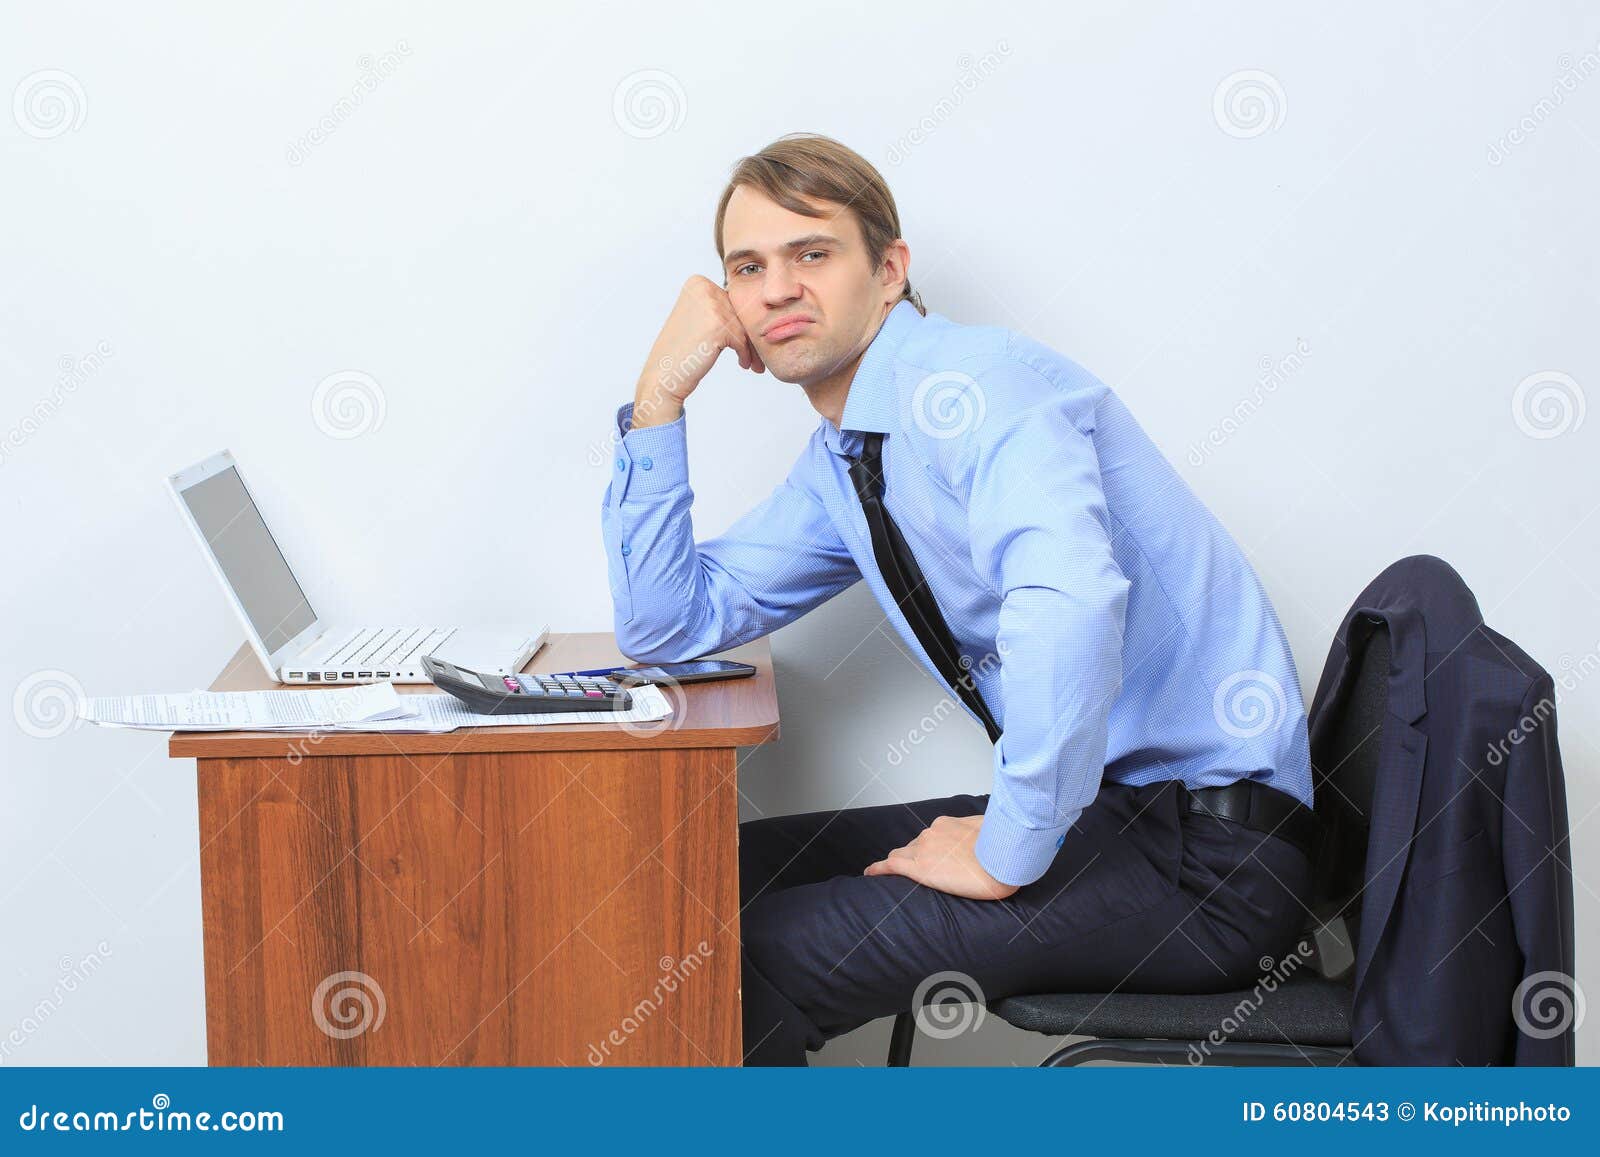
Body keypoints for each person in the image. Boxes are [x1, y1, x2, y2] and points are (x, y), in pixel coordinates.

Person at [599, 133, 1316, 1065]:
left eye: (811, 253)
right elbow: (669, 623)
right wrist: (658, 399)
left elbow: (1068, 600)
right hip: (1125, 822)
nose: (776, 288)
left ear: (889, 271)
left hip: (1212, 869)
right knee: (706, 881)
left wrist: (1003, 849)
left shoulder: (978, 390)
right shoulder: (847, 458)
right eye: (748, 267)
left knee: (753, 956)